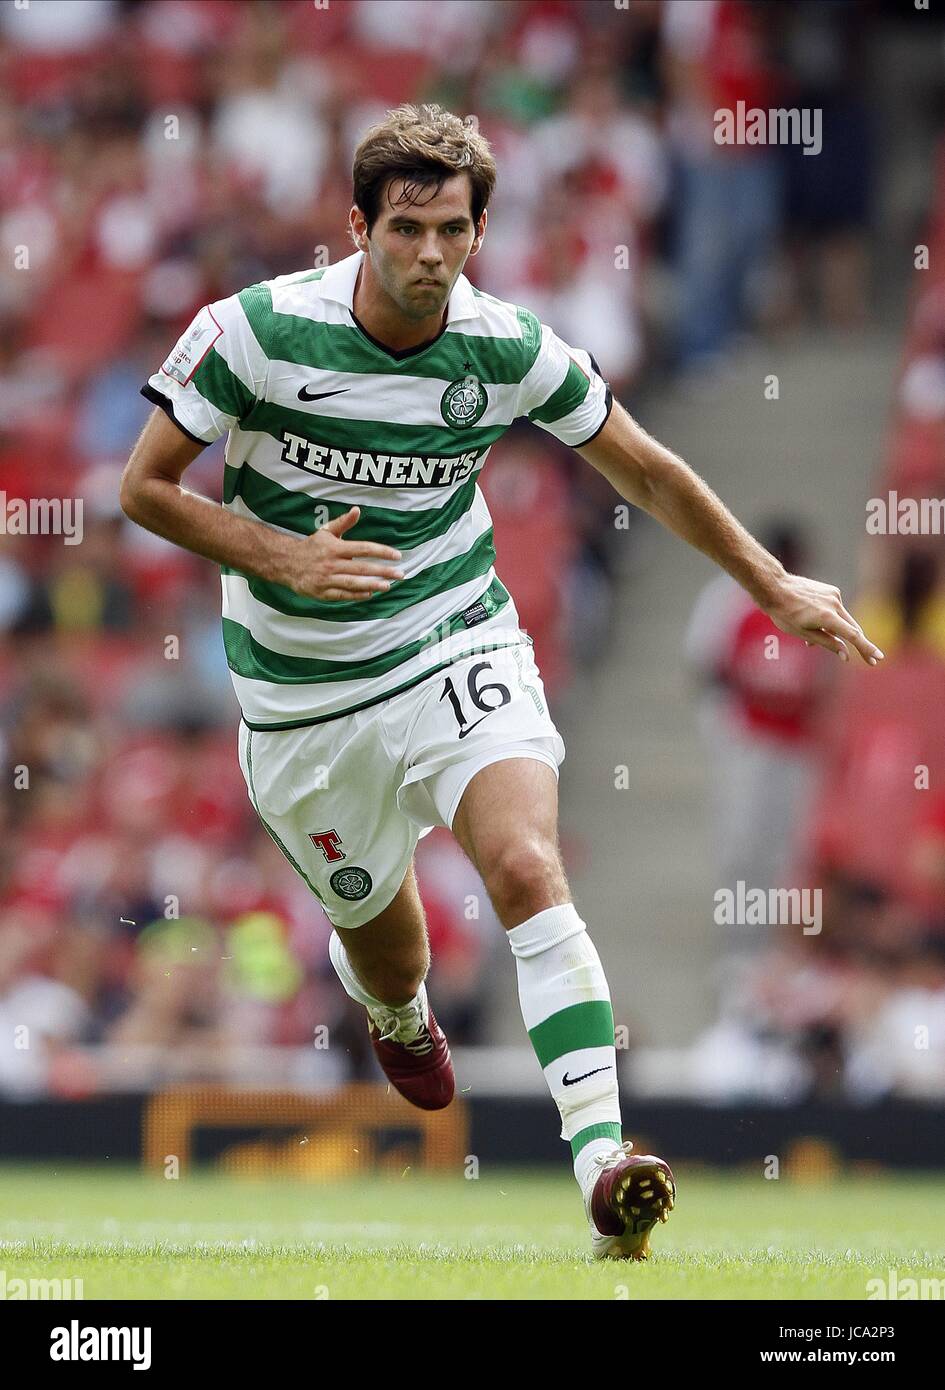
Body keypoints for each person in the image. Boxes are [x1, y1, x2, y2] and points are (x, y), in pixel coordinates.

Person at [119, 103, 884, 1261]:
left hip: (451, 640)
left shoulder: (504, 346)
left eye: (453, 230)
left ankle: (602, 1159)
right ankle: (392, 1010)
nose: (430, 254)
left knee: (526, 862)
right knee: (392, 950)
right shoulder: (257, 331)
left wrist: (772, 584)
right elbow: (145, 487)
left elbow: (648, 468)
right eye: (407, 228)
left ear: (481, 233)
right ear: (357, 227)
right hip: (300, 696)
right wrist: (286, 556)